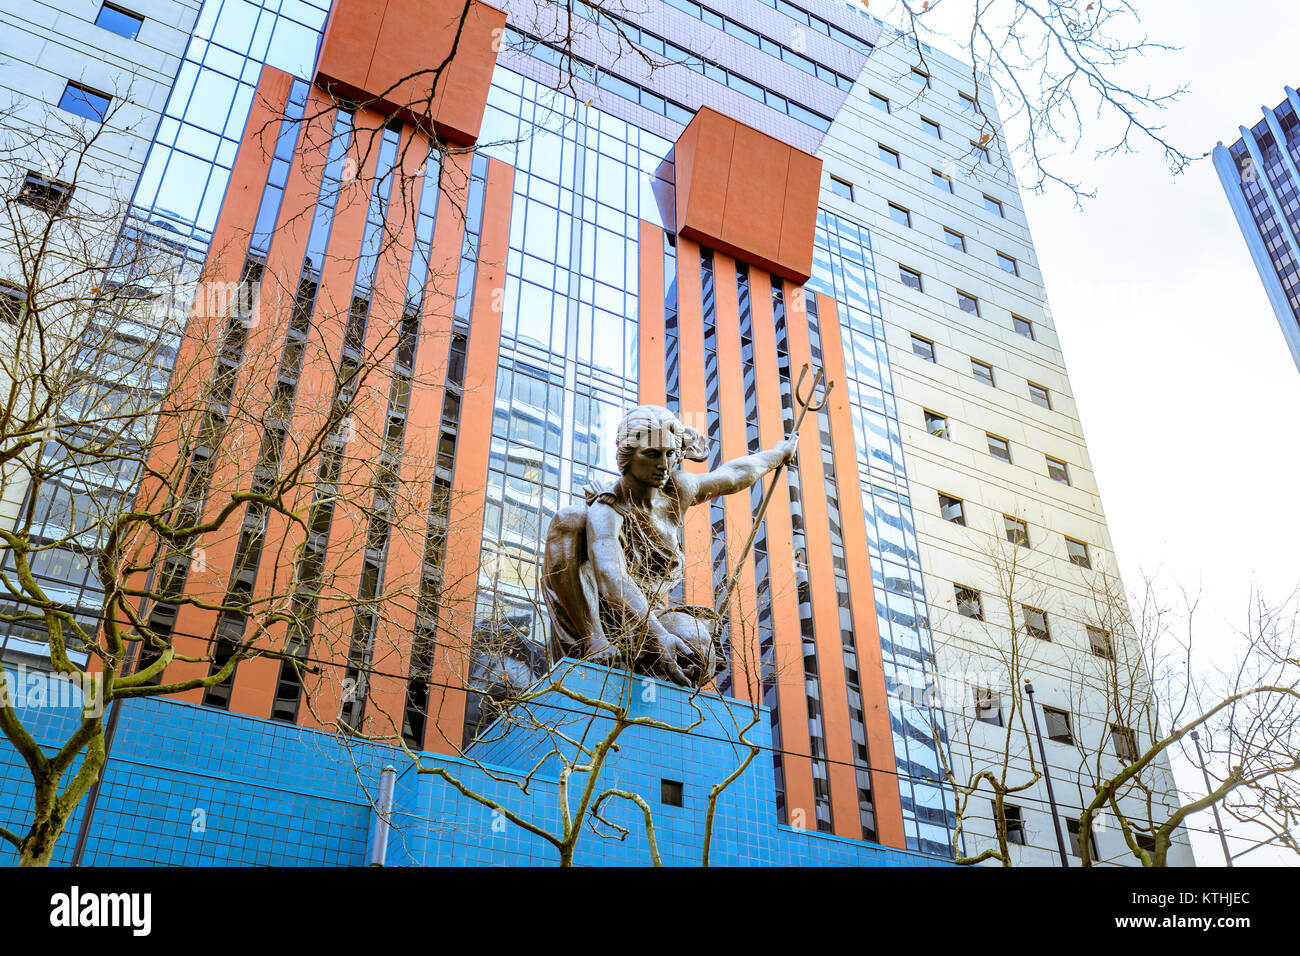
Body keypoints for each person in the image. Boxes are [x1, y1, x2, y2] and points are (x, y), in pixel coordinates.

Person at [543, 404, 797, 686]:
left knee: (699, 649)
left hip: (646, 614)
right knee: (570, 518)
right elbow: (610, 575)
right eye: (652, 455)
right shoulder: (608, 507)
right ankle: (594, 645)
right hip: (605, 616)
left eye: (671, 454)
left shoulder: (678, 490)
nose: (664, 465)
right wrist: (658, 635)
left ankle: (644, 690)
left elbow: (734, 475)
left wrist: (778, 455)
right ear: (627, 454)